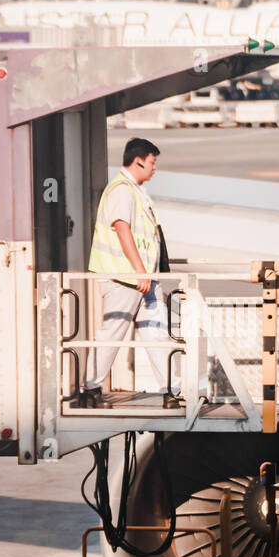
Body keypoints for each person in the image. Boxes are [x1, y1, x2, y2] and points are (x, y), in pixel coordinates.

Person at [84, 138, 175, 406]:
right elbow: (122, 229)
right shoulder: (122, 190)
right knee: (114, 330)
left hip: (143, 279)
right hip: (125, 277)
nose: (155, 168)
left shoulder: (135, 190)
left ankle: (172, 389)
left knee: (155, 330)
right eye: (153, 162)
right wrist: (139, 272)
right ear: (138, 161)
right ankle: (90, 386)